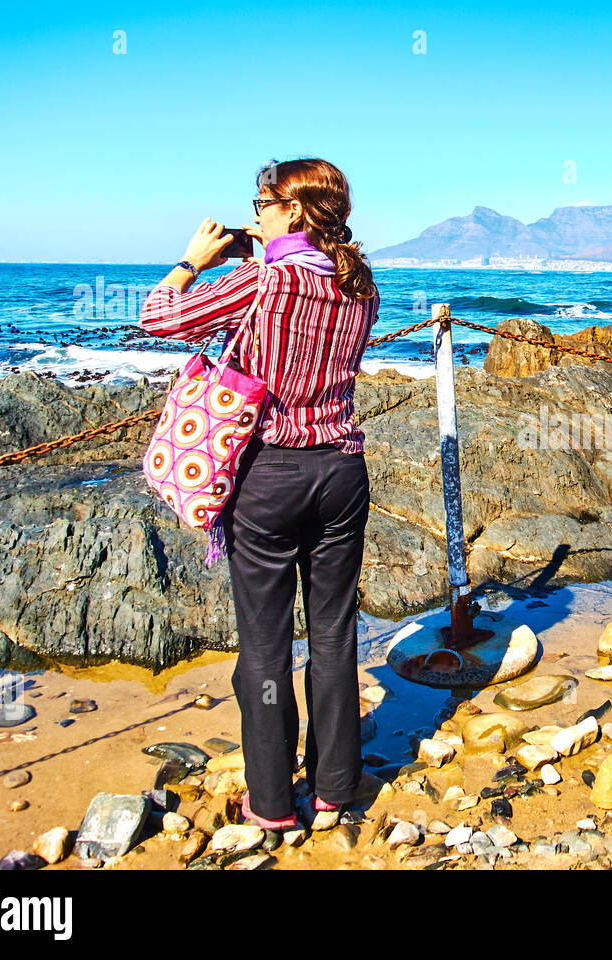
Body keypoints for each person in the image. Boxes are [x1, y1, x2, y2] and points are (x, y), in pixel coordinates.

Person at [139, 158, 379, 830]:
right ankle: (335, 785)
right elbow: (305, 299)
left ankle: (272, 803)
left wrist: (191, 261)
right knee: (333, 634)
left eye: (264, 203)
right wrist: (265, 249)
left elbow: (158, 317)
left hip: (269, 475)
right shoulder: (360, 283)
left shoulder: (262, 280)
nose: (256, 213)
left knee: (267, 645)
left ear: (296, 210)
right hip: (340, 471)